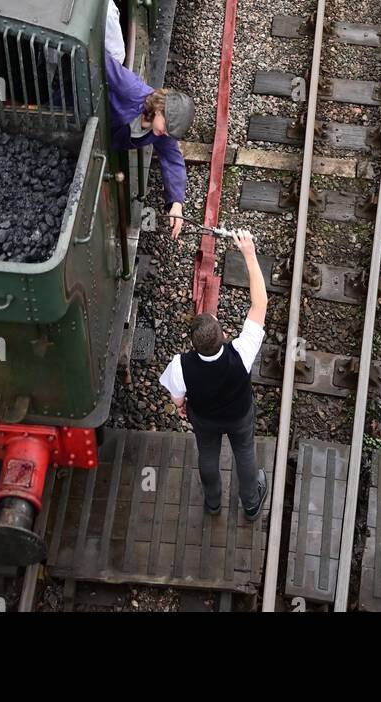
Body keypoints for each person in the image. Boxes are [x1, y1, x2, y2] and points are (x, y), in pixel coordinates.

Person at [159, 231, 269, 521]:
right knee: (245, 452)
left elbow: (177, 399)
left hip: (205, 419)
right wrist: (249, 254)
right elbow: (259, 305)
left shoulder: (181, 365)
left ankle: (213, 502)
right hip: (239, 415)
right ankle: (251, 504)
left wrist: (182, 405)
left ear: (194, 344)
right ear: (222, 333)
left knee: (207, 454)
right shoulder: (241, 351)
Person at [104, 51, 192, 238]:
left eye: (169, 132)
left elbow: (173, 160)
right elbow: (100, 59)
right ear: (159, 109)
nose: (166, 133)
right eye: (166, 127)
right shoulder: (130, 89)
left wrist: (177, 202)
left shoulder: (161, 134)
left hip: (103, 140)